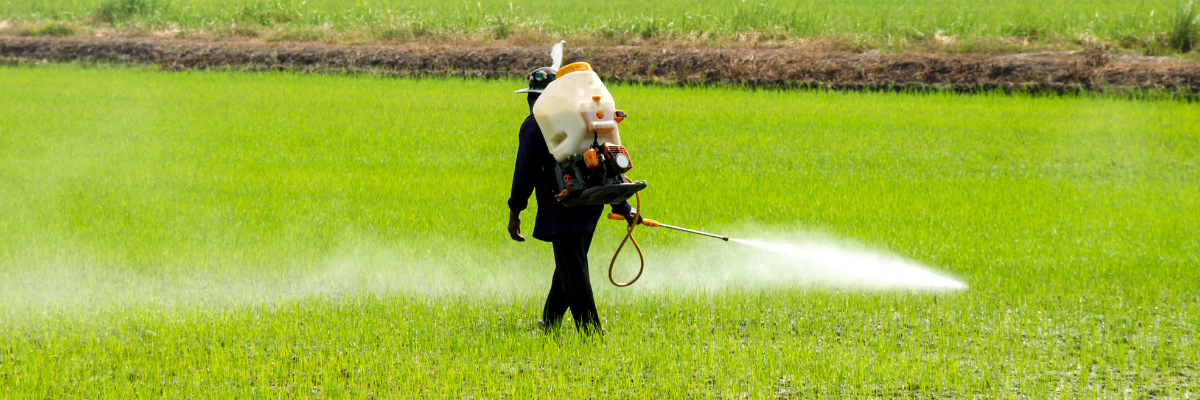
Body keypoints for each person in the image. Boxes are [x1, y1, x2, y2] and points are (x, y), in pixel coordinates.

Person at [507, 66, 638, 335]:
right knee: (569, 265)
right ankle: (550, 322)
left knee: (574, 270)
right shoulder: (583, 118)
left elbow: (525, 172)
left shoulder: (535, 125)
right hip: (590, 204)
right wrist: (622, 206)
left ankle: (591, 332)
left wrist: (515, 210)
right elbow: (606, 164)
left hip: (561, 205)